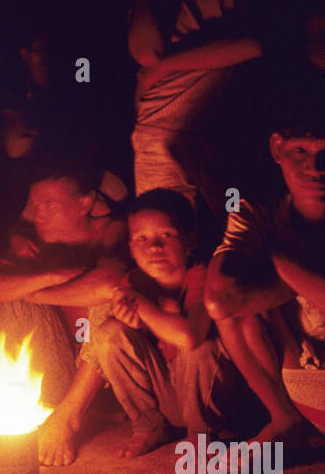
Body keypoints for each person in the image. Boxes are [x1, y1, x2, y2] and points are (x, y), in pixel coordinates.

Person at [203, 98, 325, 474]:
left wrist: (271, 259)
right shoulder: (256, 211)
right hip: (301, 390)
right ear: (276, 149)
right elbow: (220, 299)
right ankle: (282, 422)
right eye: (299, 152)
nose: (315, 168)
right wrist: (319, 270)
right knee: (231, 309)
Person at [0, 154, 128, 466]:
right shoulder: (35, 242)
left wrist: (41, 295)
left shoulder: (114, 233)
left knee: (112, 300)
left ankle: (68, 418)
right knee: (10, 296)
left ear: (84, 204)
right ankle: (18, 407)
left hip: (116, 374)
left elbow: (111, 281)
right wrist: (49, 278)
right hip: (58, 373)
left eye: (49, 204)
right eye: (34, 205)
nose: (37, 214)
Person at [88, 189, 263, 458]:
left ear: (189, 239)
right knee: (108, 333)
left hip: (213, 400)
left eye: (166, 235)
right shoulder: (136, 281)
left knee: (203, 346)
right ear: (131, 249)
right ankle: (149, 426)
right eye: (141, 238)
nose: (154, 247)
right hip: (169, 394)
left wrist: (141, 306)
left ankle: (202, 434)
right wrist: (129, 320)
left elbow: (191, 336)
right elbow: (126, 338)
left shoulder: (202, 273)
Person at [128, 0, 261, 210]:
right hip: (155, 133)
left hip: (215, 127)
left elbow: (253, 44)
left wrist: (166, 66)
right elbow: (146, 54)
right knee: (168, 238)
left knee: (235, 233)